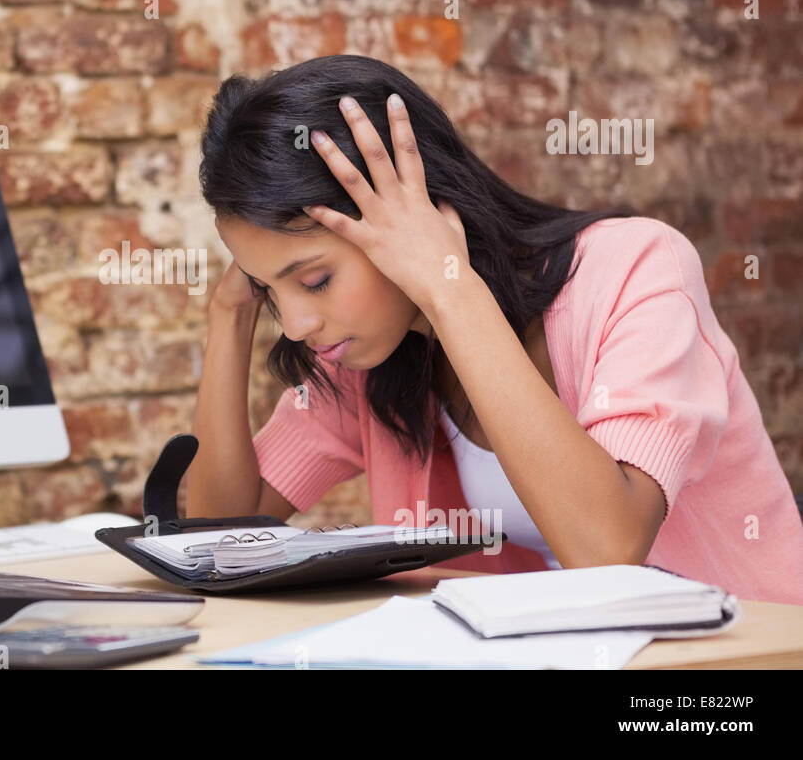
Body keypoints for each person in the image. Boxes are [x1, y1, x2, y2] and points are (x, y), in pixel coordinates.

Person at [187, 53, 803, 605]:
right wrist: (230, 314)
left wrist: (450, 286)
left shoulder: (635, 270)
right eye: (270, 289)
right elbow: (216, 542)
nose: (296, 325)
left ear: (415, 212)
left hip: (734, 662)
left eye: (316, 280)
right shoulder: (366, 351)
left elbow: (607, 550)